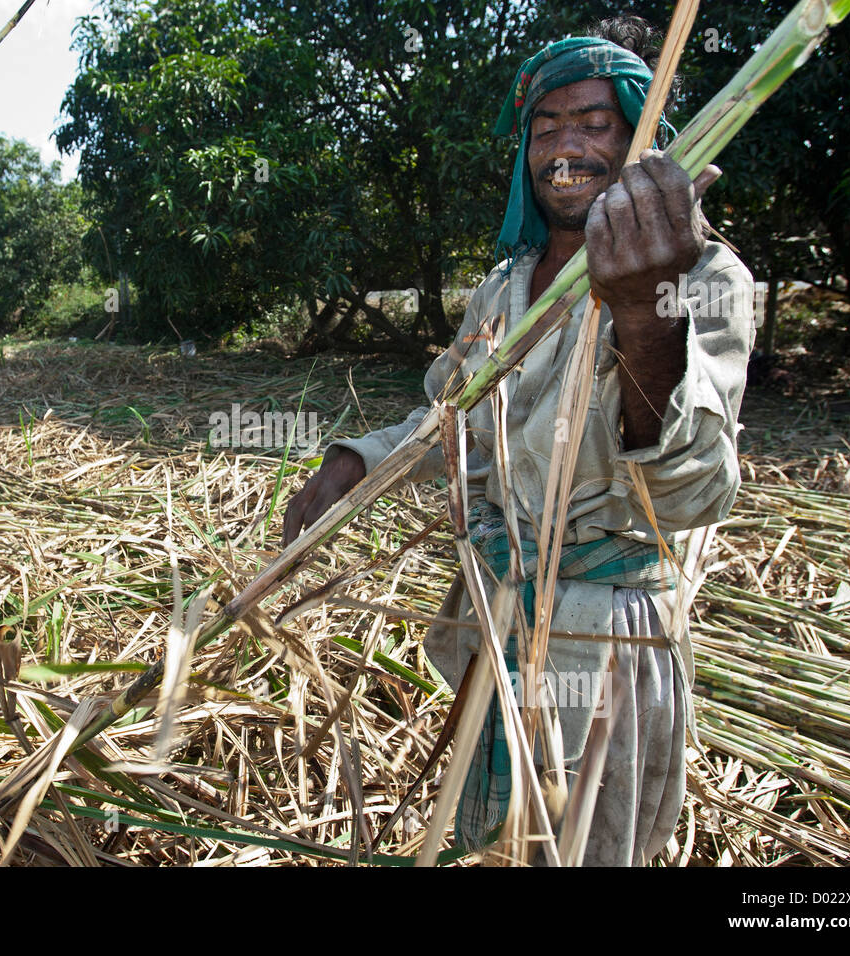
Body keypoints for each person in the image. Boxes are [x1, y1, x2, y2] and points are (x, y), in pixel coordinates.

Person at [282, 18, 753, 865]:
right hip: (496, 615)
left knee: (585, 847)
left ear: (645, 138)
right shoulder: (503, 292)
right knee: (489, 842)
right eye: (545, 129)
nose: (565, 149)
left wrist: (644, 311)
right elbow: (446, 421)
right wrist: (357, 455)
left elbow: (690, 491)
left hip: (603, 638)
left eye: (595, 124)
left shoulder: (705, 282)